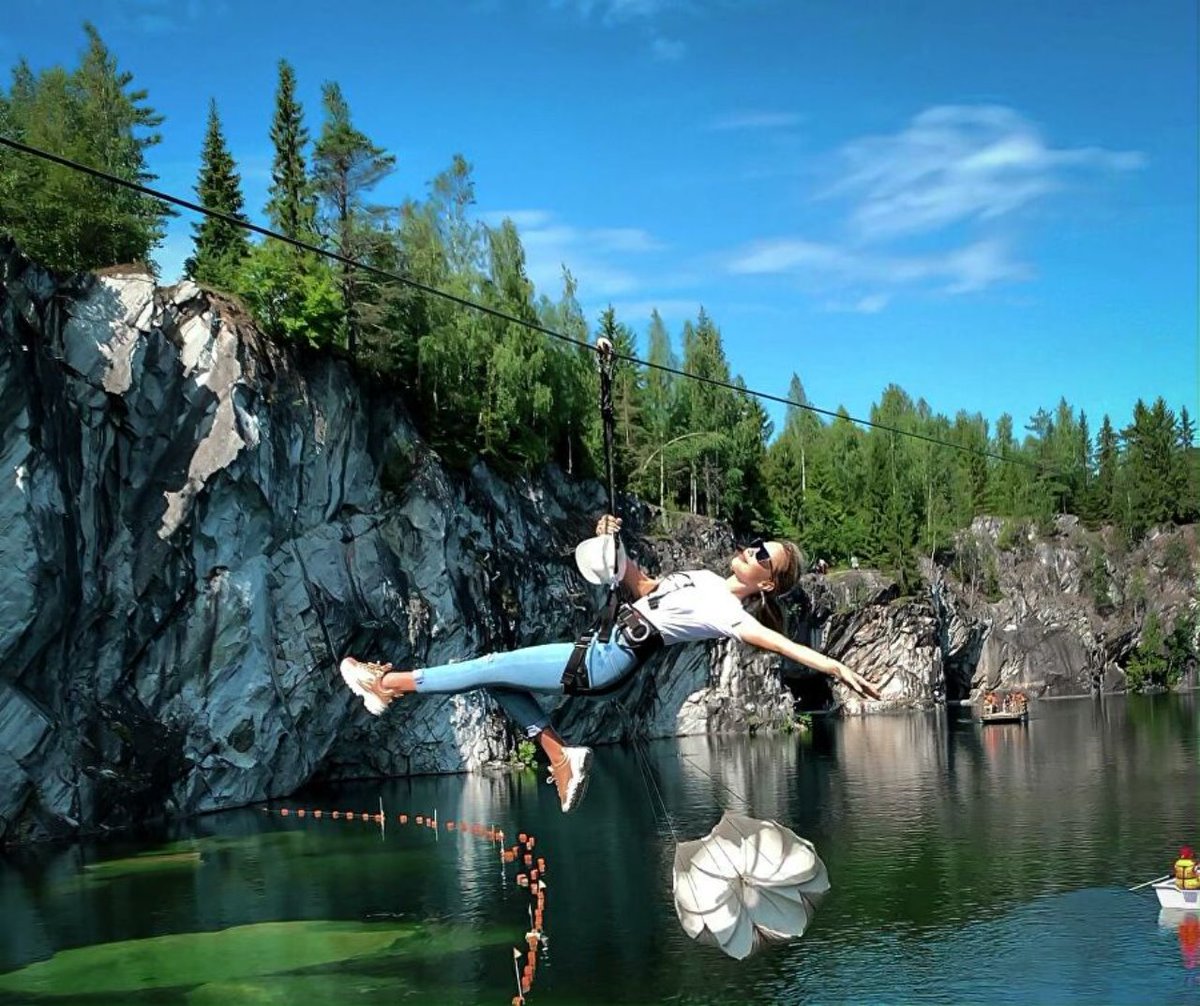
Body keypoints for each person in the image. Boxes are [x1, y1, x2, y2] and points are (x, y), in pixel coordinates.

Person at [339, 515, 880, 814]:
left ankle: (386, 683)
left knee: (491, 664)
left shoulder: (730, 613)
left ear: (768, 583)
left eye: (765, 558)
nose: (754, 551)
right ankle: (558, 755)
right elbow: (639, 585)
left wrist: (835, 668)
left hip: (608, 661)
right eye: (758, 544)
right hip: (601, 648)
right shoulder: (704, 581)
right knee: (498, 677)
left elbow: (783, 646)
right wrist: (609, 543)